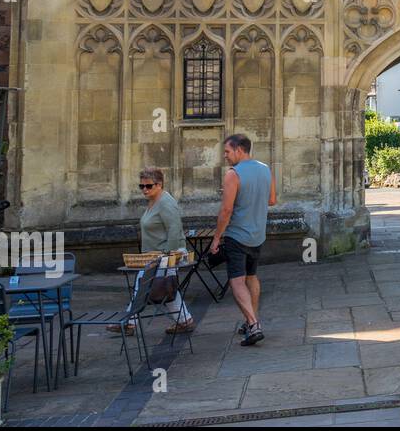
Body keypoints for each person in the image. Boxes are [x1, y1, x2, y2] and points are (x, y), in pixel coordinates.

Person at [209, 133, 276, 345]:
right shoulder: (265, 169)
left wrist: (216, 237)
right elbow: (272, 200)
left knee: (236, 280)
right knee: (251, 277)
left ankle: (253, 324)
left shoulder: (233, 174)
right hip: (257, 235)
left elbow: (226, 210)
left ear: (239, 149)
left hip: (237, 235)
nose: (225, 156)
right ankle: (250, 321)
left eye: (227, 151)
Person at [109, 167, 194, 335]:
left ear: (159, 184)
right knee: (166, 288)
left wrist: (168, 254)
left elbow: (175, 229)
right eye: (141, 186)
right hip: (155, 254)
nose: (144, 190)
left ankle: (129, 323)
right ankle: (185, 320)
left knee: (144, 286)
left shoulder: (165, 202)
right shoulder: (154, 200)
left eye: (149, 186)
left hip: (165, 254)